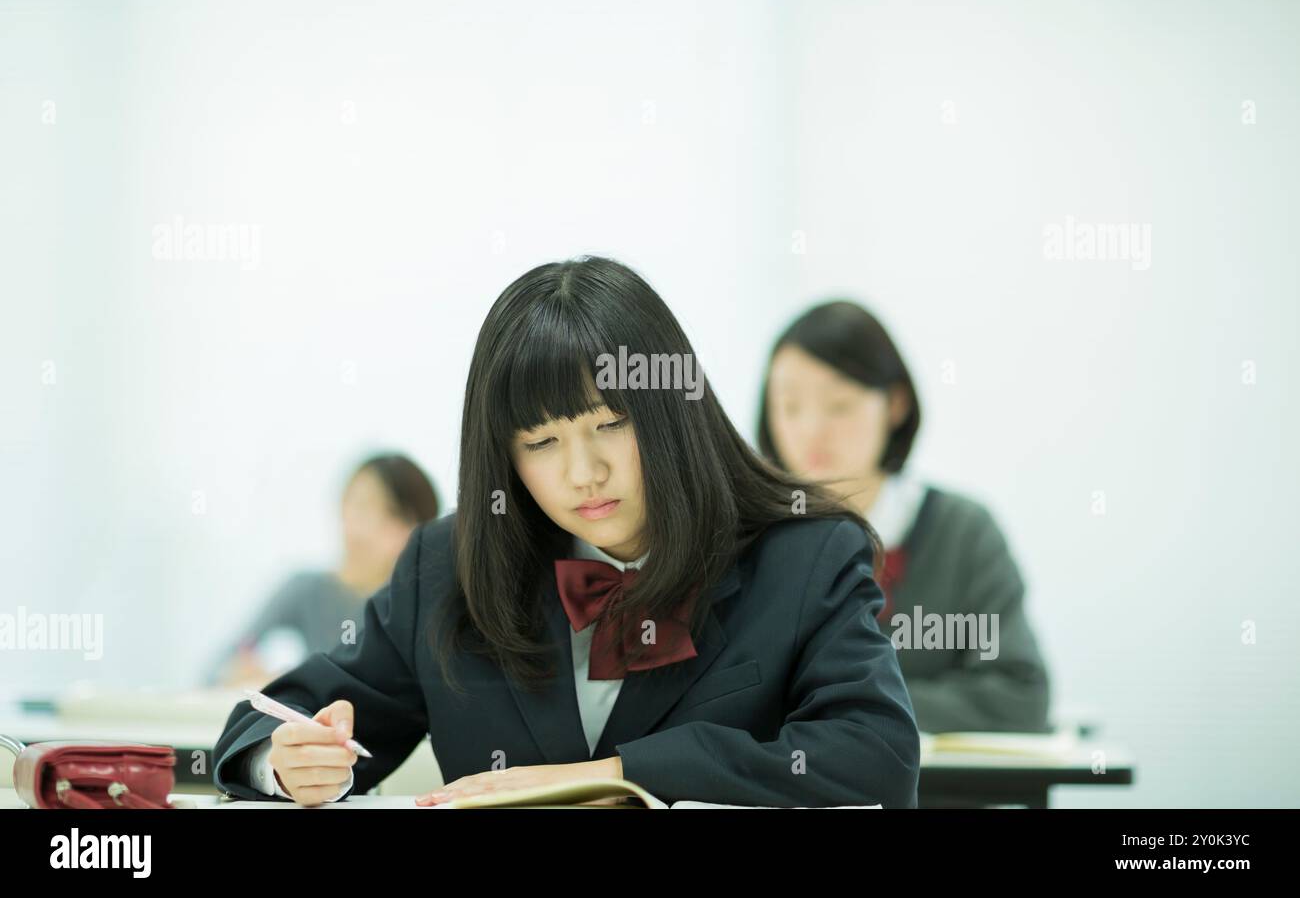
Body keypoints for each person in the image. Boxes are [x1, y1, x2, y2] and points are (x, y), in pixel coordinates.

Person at [211, 256, 920, 808]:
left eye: (611, 423)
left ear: (673, 411)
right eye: (542, 442)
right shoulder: (448, 567)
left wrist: (616, 775)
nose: (584, 473)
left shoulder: (804, 556)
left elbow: (877, 758)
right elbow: (271, 716)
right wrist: (286, 761)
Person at [758, 301, 1051, 734]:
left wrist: (859, 709)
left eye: (839, 405)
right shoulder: (753, 539)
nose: (811, 429)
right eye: (790, 406)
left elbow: (1020, 694)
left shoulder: (963, 532)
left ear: (895, 404)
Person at [202, 454, 439, 690]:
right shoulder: (306, 589)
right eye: (362, 506)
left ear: (420, 530)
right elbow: (219, 667)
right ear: (342, 505)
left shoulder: (423, 607)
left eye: (393, 514)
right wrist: (245, 673)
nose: (368, 526)